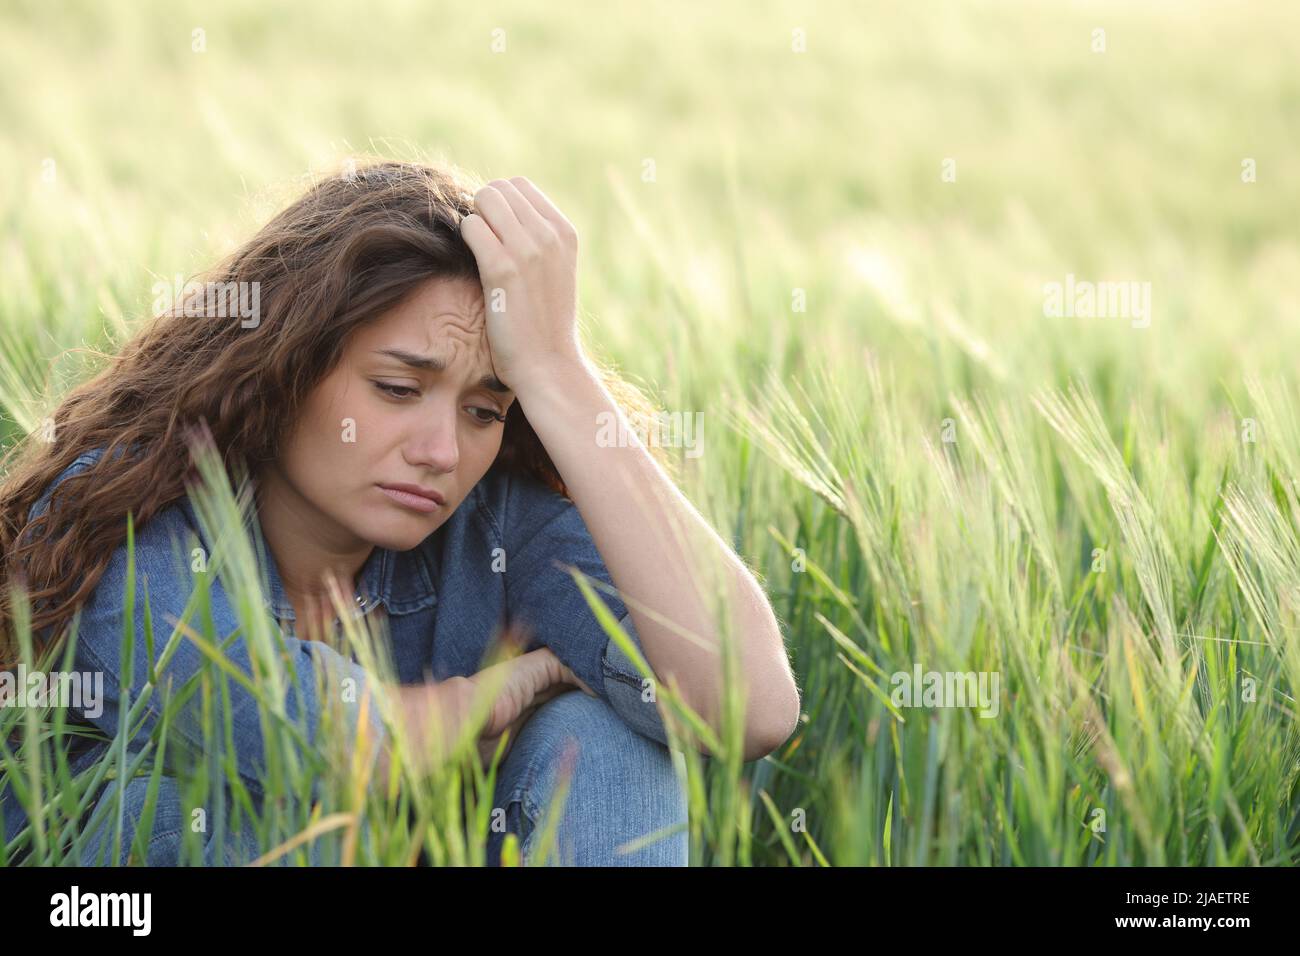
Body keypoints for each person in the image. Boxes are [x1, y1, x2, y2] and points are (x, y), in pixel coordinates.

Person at [0, 159, 800, 866]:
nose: (441, 451)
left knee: (615, 743)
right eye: (397, 389)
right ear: (284, 369)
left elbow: (749, 708)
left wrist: (557, 370)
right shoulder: (134, 504)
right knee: (184, 813)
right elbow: (285, 737)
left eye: (485, 412)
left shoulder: (495, 530)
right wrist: (502, 691)